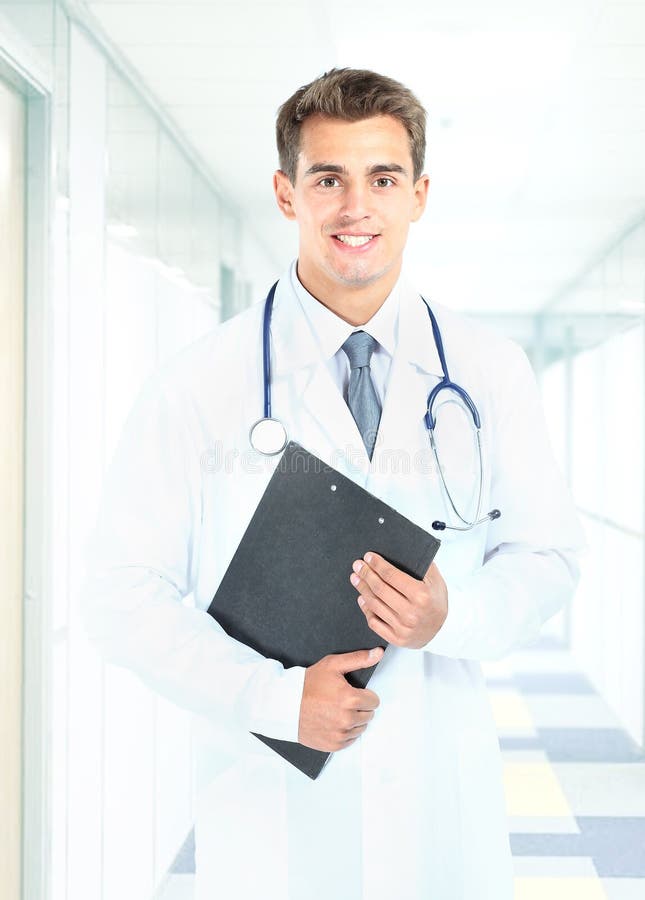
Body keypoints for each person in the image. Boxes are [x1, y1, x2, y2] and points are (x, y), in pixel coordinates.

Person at [80, 68, 586, 900]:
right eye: (328, 178)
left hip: (436, 800)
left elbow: (548, 555)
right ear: (287, 194)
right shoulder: (199, 382)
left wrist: (451, 615)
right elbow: (118, 592)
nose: (357, 206)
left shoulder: (488, 372)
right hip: (272, 804)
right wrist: (271, 698)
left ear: (418, 195)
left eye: (382, 178)